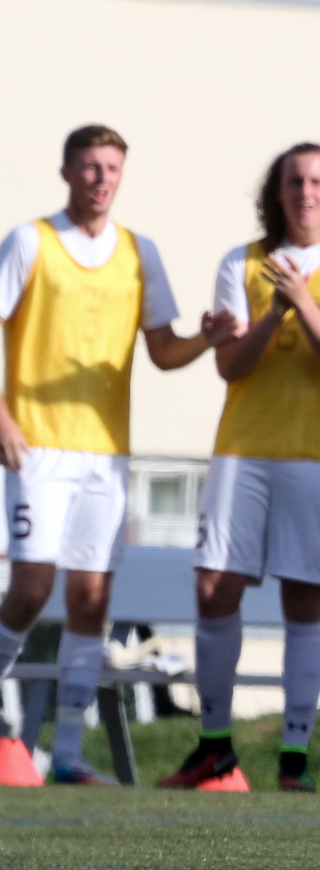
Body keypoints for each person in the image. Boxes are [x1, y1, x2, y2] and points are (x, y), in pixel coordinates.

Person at [0, 125, 231, 783]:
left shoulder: (139, 253)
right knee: (30, 589)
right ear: (67, 172)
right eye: (90, 167)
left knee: (92, 600)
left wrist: (206, 340)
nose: (101, 179)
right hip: (38, 448)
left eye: (111, 168)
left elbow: (162, 349)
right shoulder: (30, 242)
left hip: (106, 455)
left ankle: (69, 753)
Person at [160, 143, 320, 793]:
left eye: (317, 181)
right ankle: (214, 748)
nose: (306, 192)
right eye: (295, 181)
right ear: (278, 193)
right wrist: (276, 312)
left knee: (305, 599)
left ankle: (294, 760)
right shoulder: (242, 261)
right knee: (214, 588)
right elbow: (231, 364)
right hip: (246, 446)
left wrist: (305, 303)